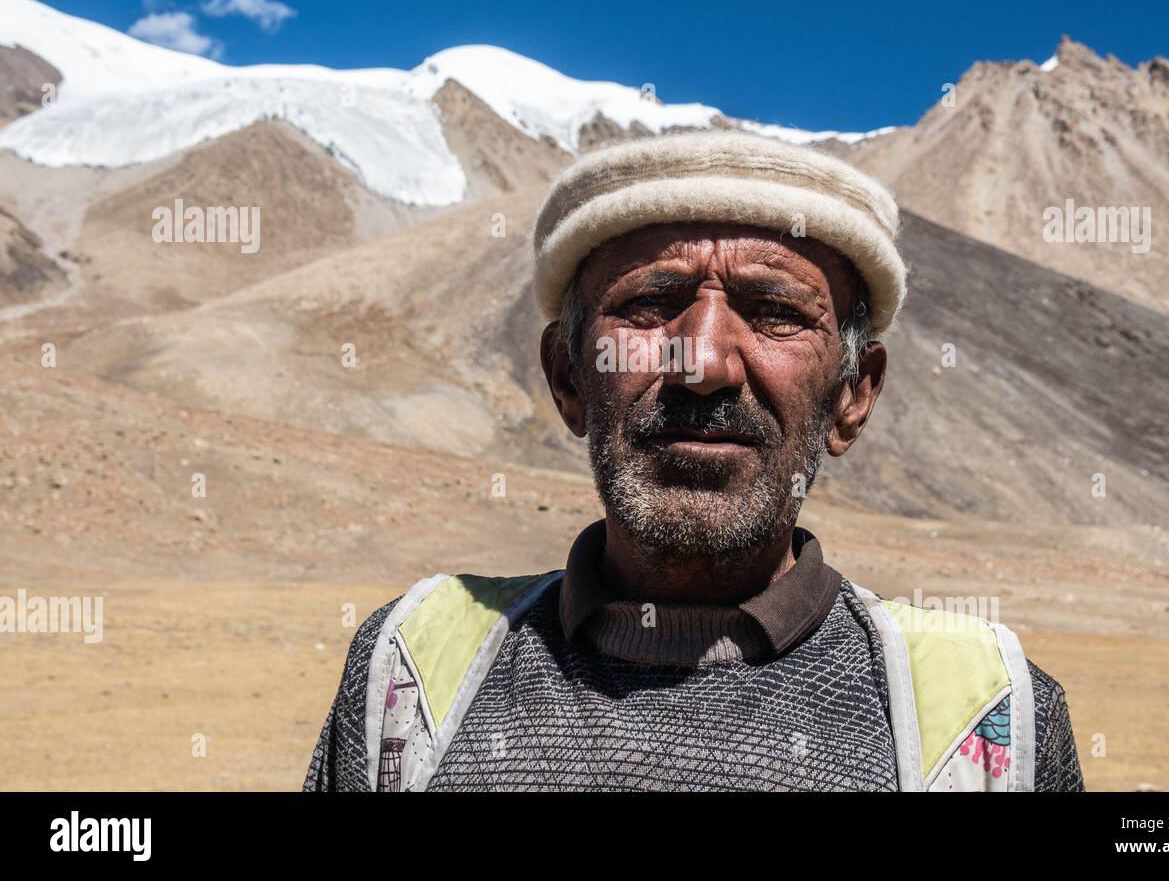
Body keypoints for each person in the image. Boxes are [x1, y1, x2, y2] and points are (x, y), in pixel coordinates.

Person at [304, 131, 1084, 792]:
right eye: (649, 304)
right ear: (570, 378)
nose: (703, 362)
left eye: (776, 312)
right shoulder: (409, 675)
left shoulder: (986, 721)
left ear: (853, 396)